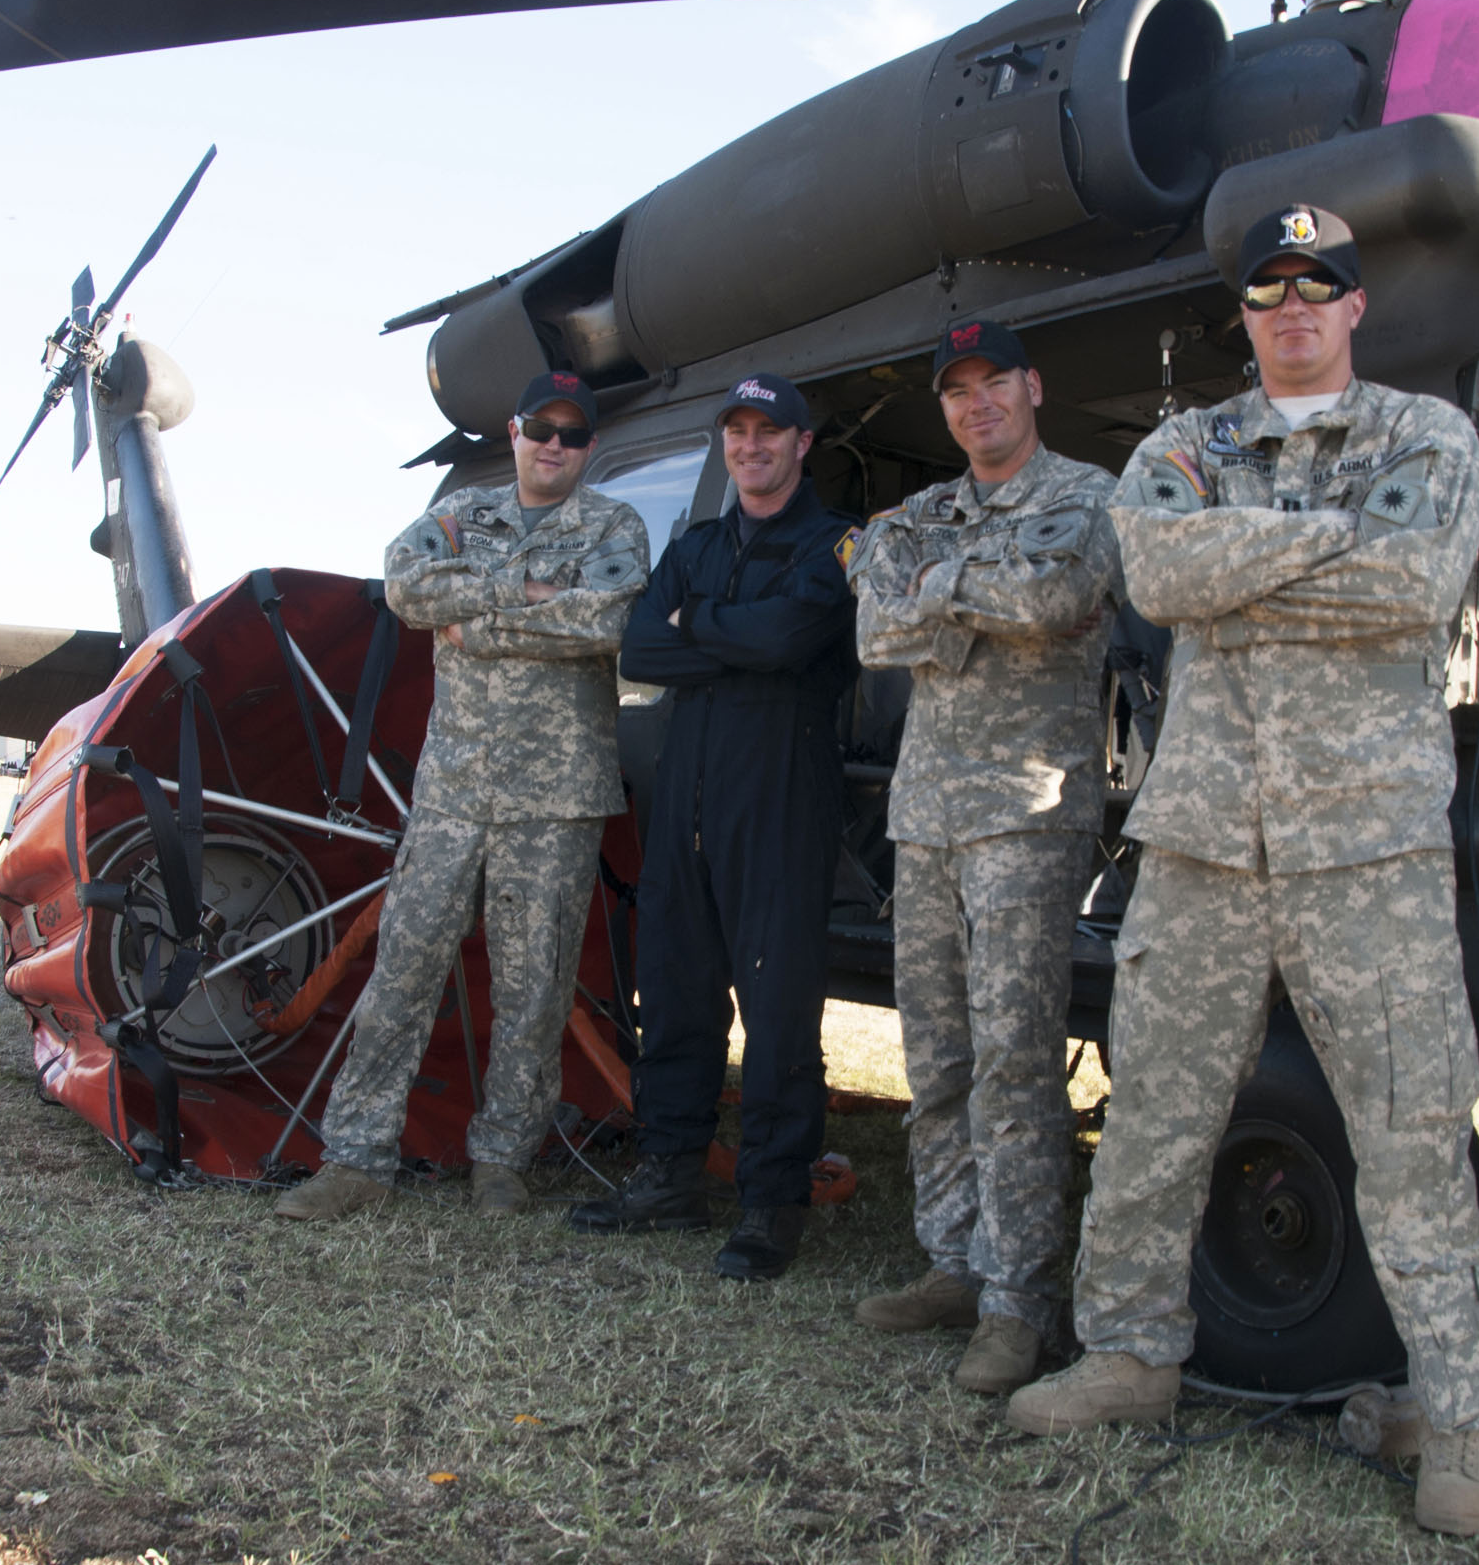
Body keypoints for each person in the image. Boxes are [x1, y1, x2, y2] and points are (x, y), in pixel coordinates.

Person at [1005, 204, 1479, 1536]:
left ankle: (1458, 1410)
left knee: (1410, 1129)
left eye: (1319, 285)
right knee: (1155, 1112)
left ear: (1355, 305)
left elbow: (1417, 585)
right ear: (1244, 313)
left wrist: (1241, 566)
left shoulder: (1425, 435)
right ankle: (1129, 1353)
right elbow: (1158, 570)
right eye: (1268, 289)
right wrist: (1330, 541)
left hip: (1367, 845)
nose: (1293, 307)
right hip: (1204, 838)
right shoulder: (1184, 447)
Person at [277, 370, 649, 1222]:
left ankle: (503, 1161)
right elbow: (406, 588)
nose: (554, 445)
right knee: (403, 970)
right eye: (541, 428)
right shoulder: (460, 516)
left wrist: (474, 619)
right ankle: (356, 1158)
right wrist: (525, 593)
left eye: (572, 434)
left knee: (536, 988)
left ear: (590, 447)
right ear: (514, 433)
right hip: (453, 791)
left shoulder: (613, 525)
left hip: (556, 799)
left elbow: (607, 620)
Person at [845, 320, 1120, 1393]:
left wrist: (936, 592)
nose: (977, 404)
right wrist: (977, 590)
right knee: (938, 1055)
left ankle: (1018, 1298)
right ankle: (953, 1261)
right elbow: (875, 631)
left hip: (1028, 811)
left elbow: (1060, 597)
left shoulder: (1088, 496)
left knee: (1014, 1059)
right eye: (956, 391)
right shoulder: (920, 512)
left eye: (993, 381)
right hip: (926, 815)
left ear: (1031, 387)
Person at [570, 373, 859, 1282]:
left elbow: (790, 642)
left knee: (778, 1017)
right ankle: (669, 1175)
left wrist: (698, 622)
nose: (751, 446)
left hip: (780, 802)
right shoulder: (694, 544)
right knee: (675, 993)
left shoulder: (834, 543)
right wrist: (734, 634)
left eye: (769, 431)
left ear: (802, 443)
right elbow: (642, 648)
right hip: (686, 801)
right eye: (737, 431)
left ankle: (772, 1202)